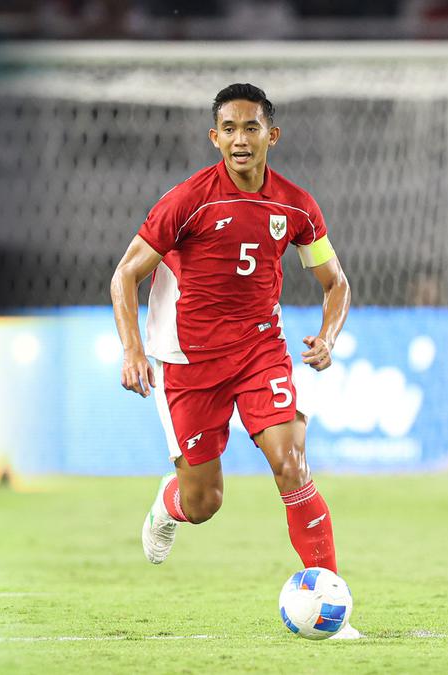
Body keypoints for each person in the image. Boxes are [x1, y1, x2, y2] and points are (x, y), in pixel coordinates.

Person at [110, 83, 356, 637]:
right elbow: (125, 273)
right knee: (204, 502)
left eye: (251, 128)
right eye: (229, 129)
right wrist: (131, 351)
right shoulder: (190, 199)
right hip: (188, 361)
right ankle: (166, 506)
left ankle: (330, 605)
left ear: (272, 135)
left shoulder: (295, 205)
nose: (240, 140)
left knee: (291, 463)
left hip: (260, 351)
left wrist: (327, 337)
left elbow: (335, 283)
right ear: (214, 136)